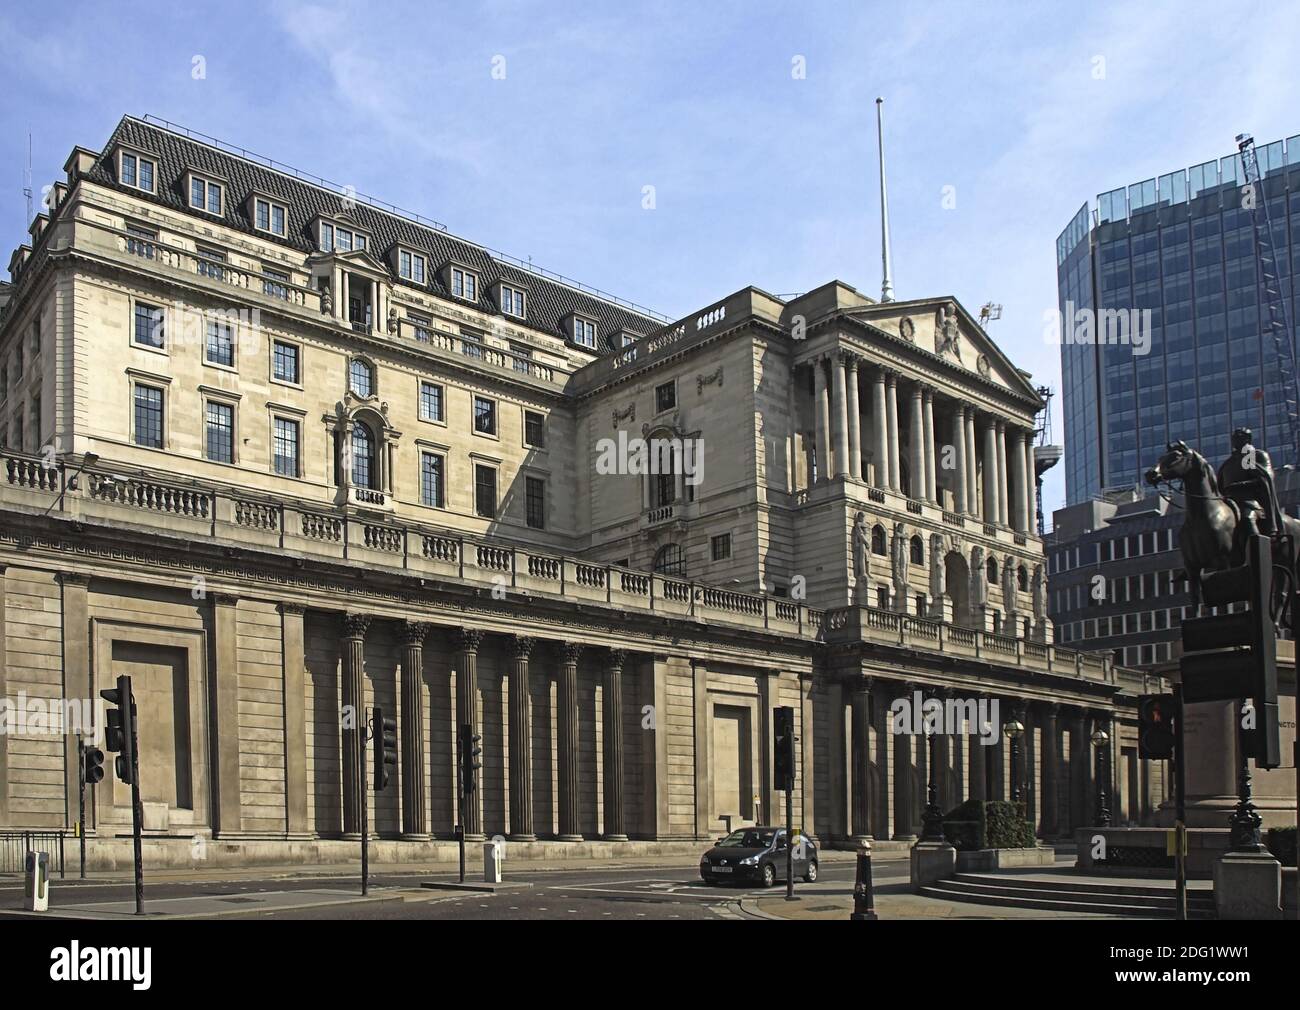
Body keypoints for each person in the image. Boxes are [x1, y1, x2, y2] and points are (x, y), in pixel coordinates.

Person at [1217, 428, 1283, 537]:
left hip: (1251, 502)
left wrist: (1239, 485)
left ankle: (1259, 550)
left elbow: (1265, 478)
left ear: (1247, 439)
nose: (1235, 440)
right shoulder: (1228, 464)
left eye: (1239, 437)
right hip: (1229, 503)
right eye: (1234, 437)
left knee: (1247, 518)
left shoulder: (1257, 456)